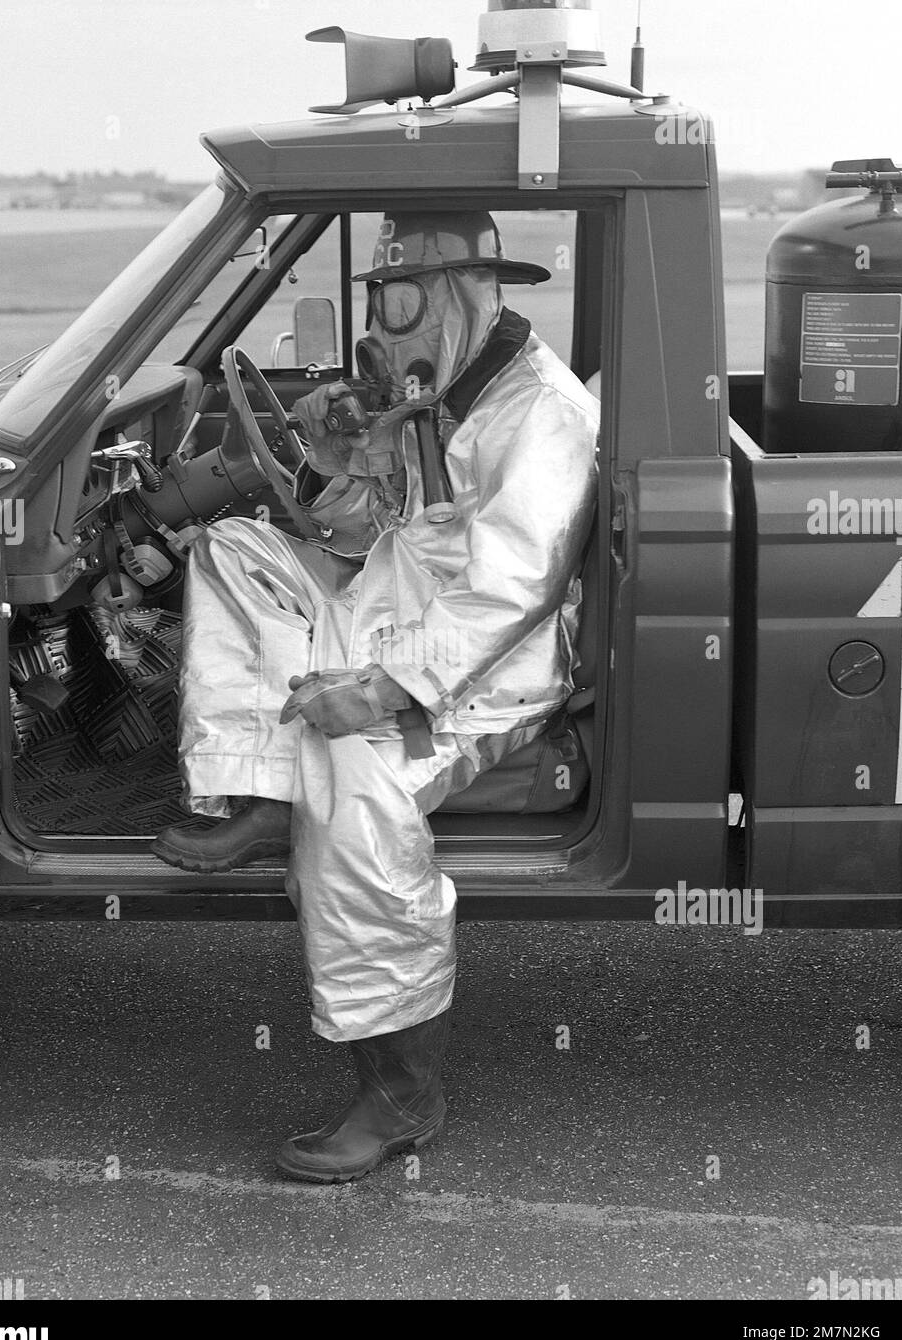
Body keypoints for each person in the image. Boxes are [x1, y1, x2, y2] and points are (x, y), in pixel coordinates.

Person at [153, 212, 601, 1182]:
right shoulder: (437, 390)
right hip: (393, 612)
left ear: (469, 290)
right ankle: (259, 785)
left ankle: (400, 1088)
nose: (386, 331)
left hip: (487, 670)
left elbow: (510, 590)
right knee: (234, 552)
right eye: (380, 303)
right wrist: (332, 455)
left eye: (401, 305)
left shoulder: (541, 414)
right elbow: (378, 529)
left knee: (355, 776)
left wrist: (384, 692)